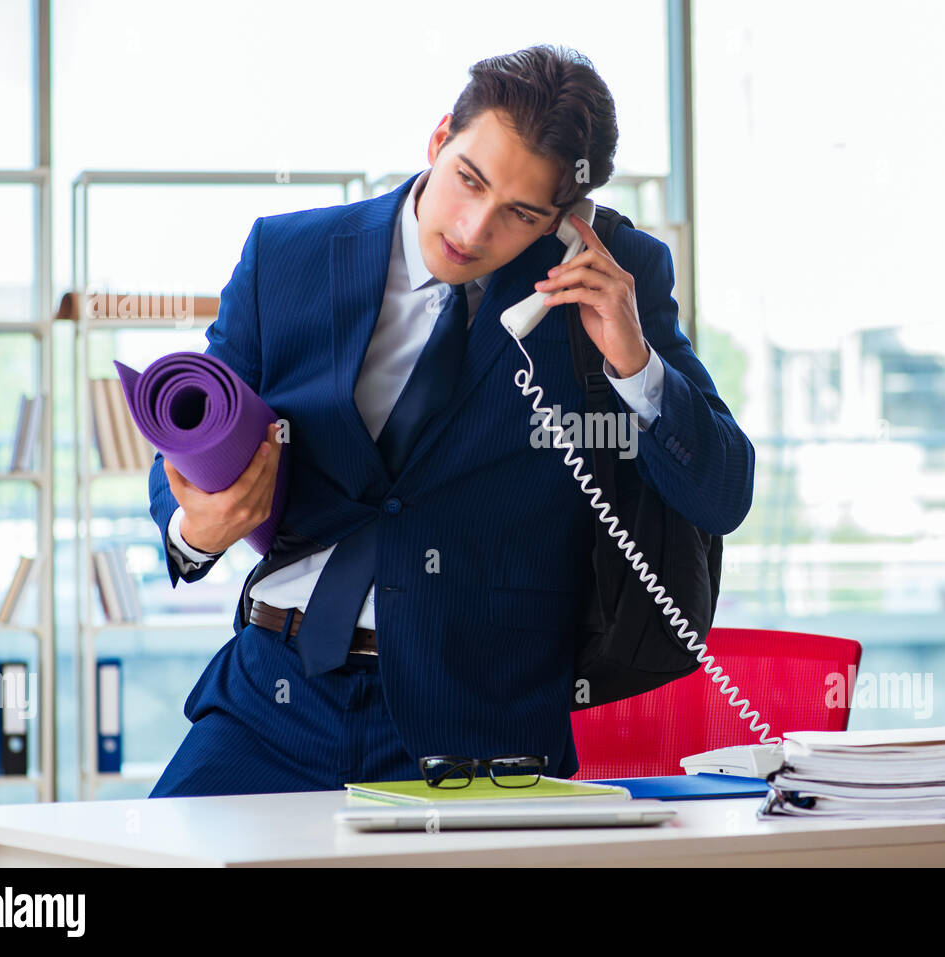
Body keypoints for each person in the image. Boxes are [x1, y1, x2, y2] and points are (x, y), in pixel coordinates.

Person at [146, 44, 754, 798]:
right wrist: (192, 529)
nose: (472, 228)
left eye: (521, 213)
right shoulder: (287, 255)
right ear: (439, 140)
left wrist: (635, 362)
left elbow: (724, 491)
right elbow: (194, 444)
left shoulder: (616, 278)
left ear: (567, 219)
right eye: (468, 179)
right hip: (275, 695)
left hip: (480, 732)